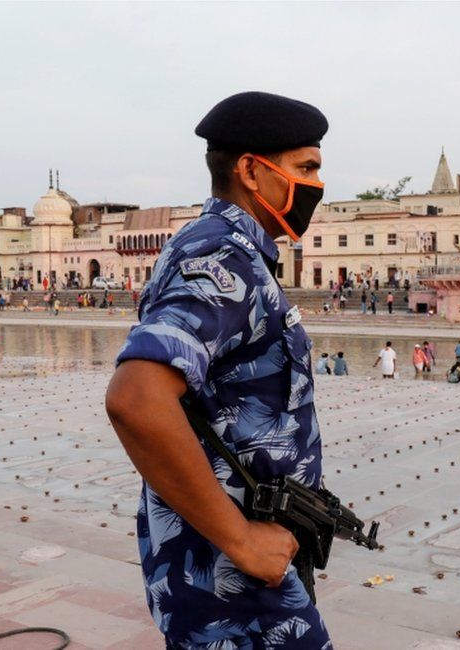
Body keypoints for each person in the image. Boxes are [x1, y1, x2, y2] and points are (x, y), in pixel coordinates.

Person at [105, 92, 333, 647]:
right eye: (306, 167)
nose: (317, 186)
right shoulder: (223, 259)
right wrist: (242, 540)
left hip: (232, 563)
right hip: (232, 580)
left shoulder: (217, 245)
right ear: (253, 171)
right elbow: (135, 398)